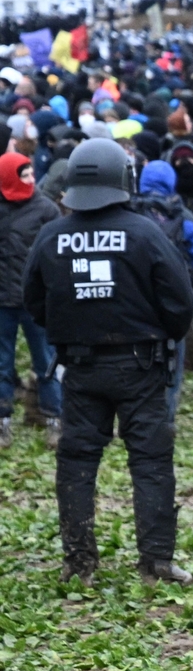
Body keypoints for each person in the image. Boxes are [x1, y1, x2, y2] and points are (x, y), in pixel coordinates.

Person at [23, 138, 193, 587]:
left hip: (79, 368)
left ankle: (78, 562)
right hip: (140, 366)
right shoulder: (145, 233)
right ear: (124, 178)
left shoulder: (51, 235)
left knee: (77, 461)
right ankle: (156, 563)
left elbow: (34, 301)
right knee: (151, 460)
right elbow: (180, 302)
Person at [132, 160, 193, 422]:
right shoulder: (184, 217)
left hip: (138, 300)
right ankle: (167, 417)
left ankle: (139, 415)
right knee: (174, 358)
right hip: (175, 298)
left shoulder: (131, 214)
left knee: (138, 359)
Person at [0, 151, 61, 449]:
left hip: (36, 301)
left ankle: (55, 420)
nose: (30, 179)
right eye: (23, 175)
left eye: (31, 173)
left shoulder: (46, 209)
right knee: (2, 364)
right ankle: (2, 423)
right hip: (2, 301)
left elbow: (57, 254)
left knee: (46, 362)